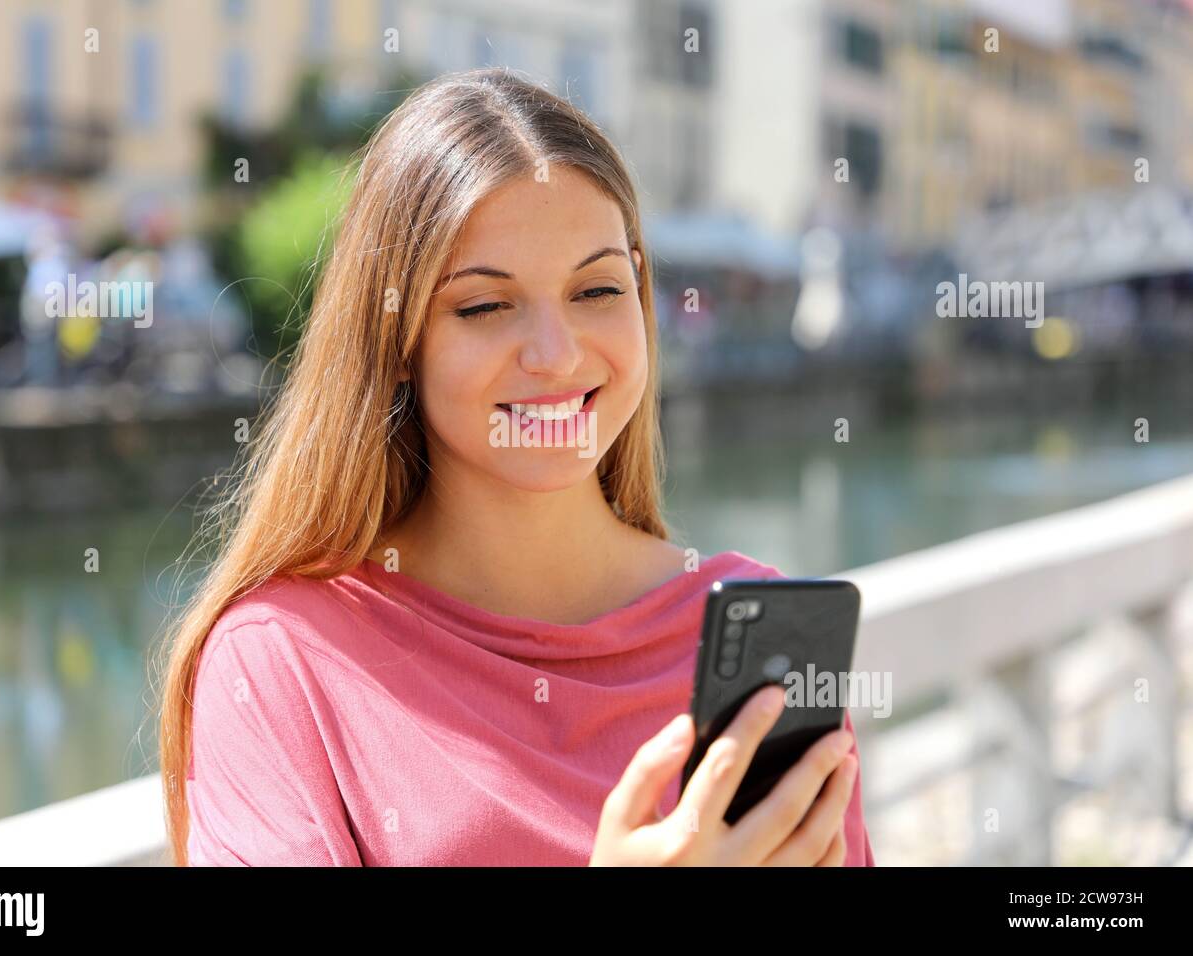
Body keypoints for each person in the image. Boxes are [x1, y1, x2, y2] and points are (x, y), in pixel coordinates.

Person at [158, 68, 873, 867]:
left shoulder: (759, 645)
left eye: (597, 290)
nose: (557, 354)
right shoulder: (280, 662)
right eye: (485, 306)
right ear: (394, 342)